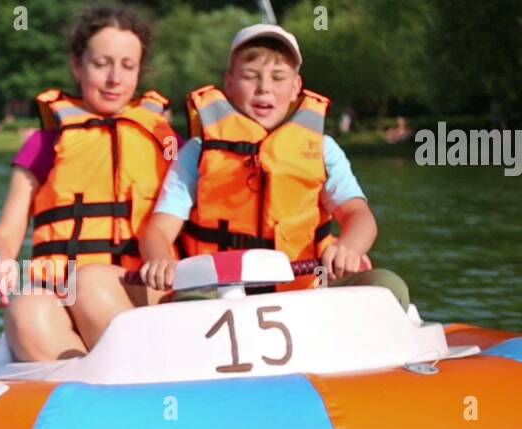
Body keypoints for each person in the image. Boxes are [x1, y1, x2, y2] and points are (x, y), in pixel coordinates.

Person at [71, 24, 410, 349]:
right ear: (229, 83)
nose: (264, 88)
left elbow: (359, 216)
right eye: (250, 77)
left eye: (278, 78)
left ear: (295, 87)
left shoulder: (322, 148)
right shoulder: (198, 151)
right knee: (146, 293)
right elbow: (158, 230)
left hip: (305, 289)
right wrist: (160, 261)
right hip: (215, 295)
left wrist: (349, 247)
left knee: (388, 287)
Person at [0, 5, 177, 361]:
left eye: (128, 66)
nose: (115, 78)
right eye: (101, 64)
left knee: (90, 283)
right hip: (61, 288)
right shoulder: (42, 145)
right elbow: (6, 233)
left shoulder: (166, 143)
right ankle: (82, 393)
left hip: (136, 290)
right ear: (77, 65)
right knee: (25, 310)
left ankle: (138, 377)